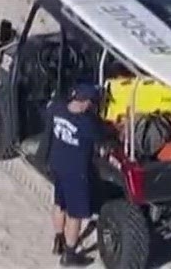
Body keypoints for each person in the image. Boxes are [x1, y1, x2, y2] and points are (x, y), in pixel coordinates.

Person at [46, 83, 102, 267]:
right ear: (85, 102)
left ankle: (58, 239)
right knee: (75, 214)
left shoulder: (58, 108)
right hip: (75, 172)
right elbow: (104, 136)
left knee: (59, 203)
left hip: (58, 164)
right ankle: (70, 254)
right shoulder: (86, 123)